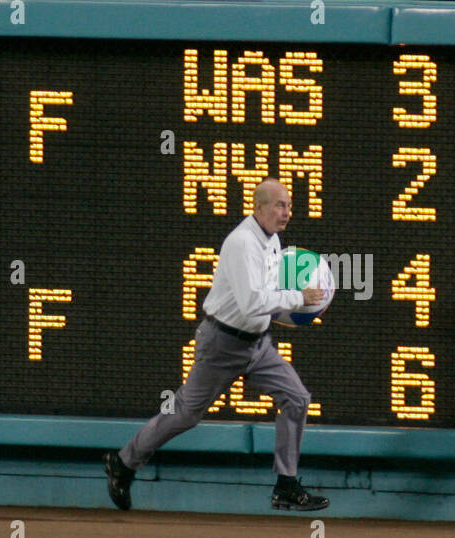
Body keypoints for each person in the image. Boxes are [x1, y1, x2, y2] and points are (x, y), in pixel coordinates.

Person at [104, 178, 330, 511]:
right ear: (259, 207)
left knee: (296, 398)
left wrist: (295, 309)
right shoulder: (241, 243)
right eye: (280, 205)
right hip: (222, 343)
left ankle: (286, 485)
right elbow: (252, 302)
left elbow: (266, 300)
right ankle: (124, 463)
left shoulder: (272, 240)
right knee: (185, 414)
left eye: (290, 206)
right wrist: (300, 299)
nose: (287, 213)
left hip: (258, 345)